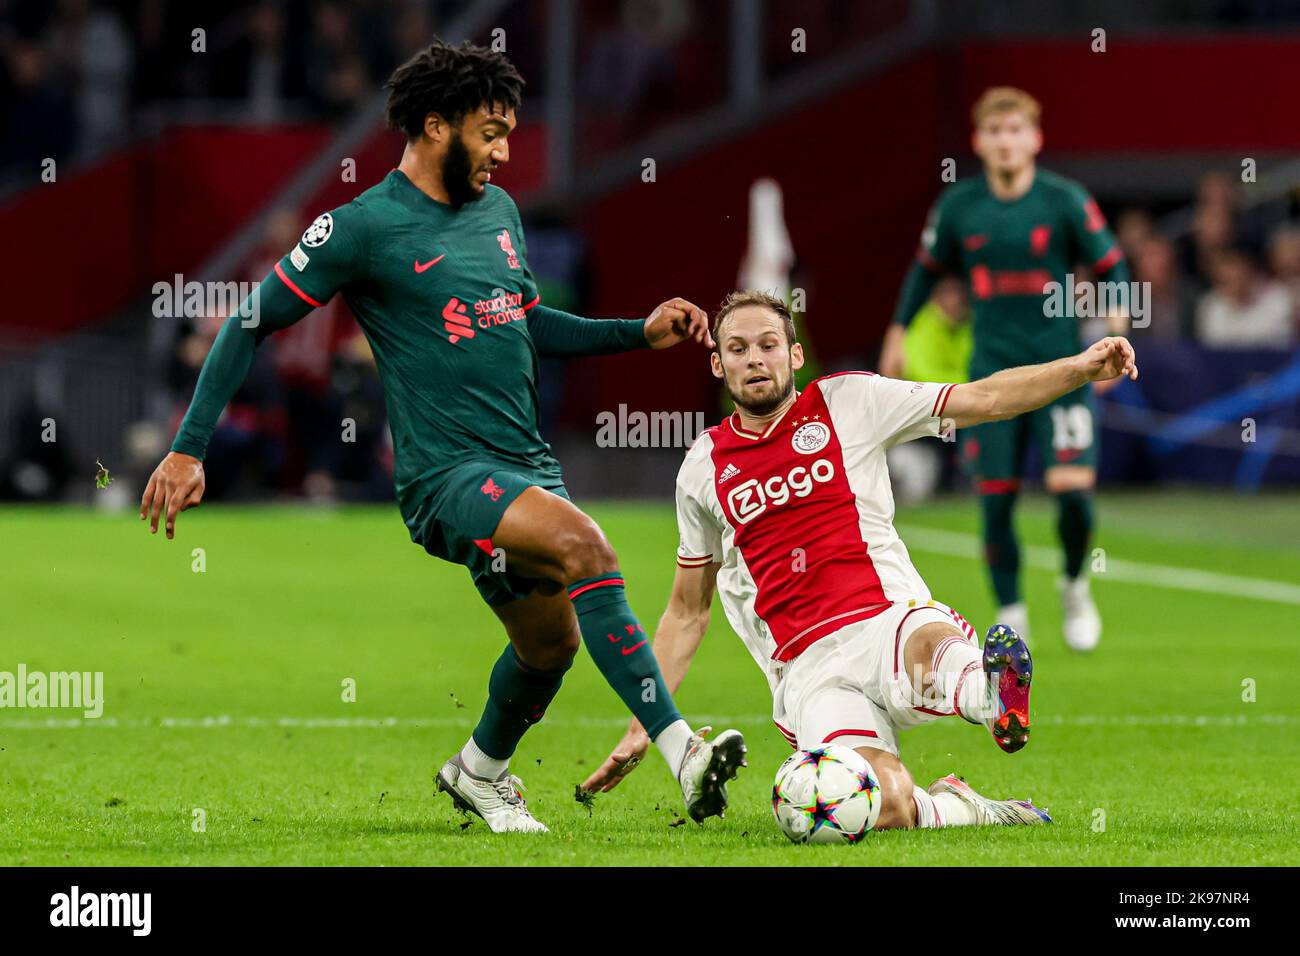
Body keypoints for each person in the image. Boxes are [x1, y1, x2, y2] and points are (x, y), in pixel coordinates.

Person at [140, 40, 746, 833]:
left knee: (551, 646)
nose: (503, 150)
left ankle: (480, 771)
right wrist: (190, 445)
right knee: (589, 550)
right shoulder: (360, 228)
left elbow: (527, 323)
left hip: (525, 463)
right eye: (490, 131)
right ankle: (683, 752)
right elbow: (250, 319)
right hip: (446, 477)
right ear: (434, 126)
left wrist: (640, 332)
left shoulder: (500, 215)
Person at [584, 292, 1139, 829]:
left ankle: (992, 696)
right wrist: (645, 725)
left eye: (769, 344)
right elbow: (686, 612)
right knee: (876, 806)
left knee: (929, 642)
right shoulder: (702, 468)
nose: (754, 357)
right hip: (810, 671)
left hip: (887, 620)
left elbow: (985, 398)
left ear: (795, 355)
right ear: (717, 363)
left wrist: (1080, 368)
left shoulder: (850, 401)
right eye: (738, 348)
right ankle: (966, 808)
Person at [879, 86, 1132, 652]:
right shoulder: (960, 207)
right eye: (995, 132)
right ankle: (1012, 613)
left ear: (1035, 138)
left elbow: (1114, 267)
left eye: (1016, 130)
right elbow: (923, 273)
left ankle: (1073, 585)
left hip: (1065, 371)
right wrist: (897, 330)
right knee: (995, 498)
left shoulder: (1064, 199)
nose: (1005, 141)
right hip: (991, 376)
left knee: (1072, 493)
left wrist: (1117, 325)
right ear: (979, 141)